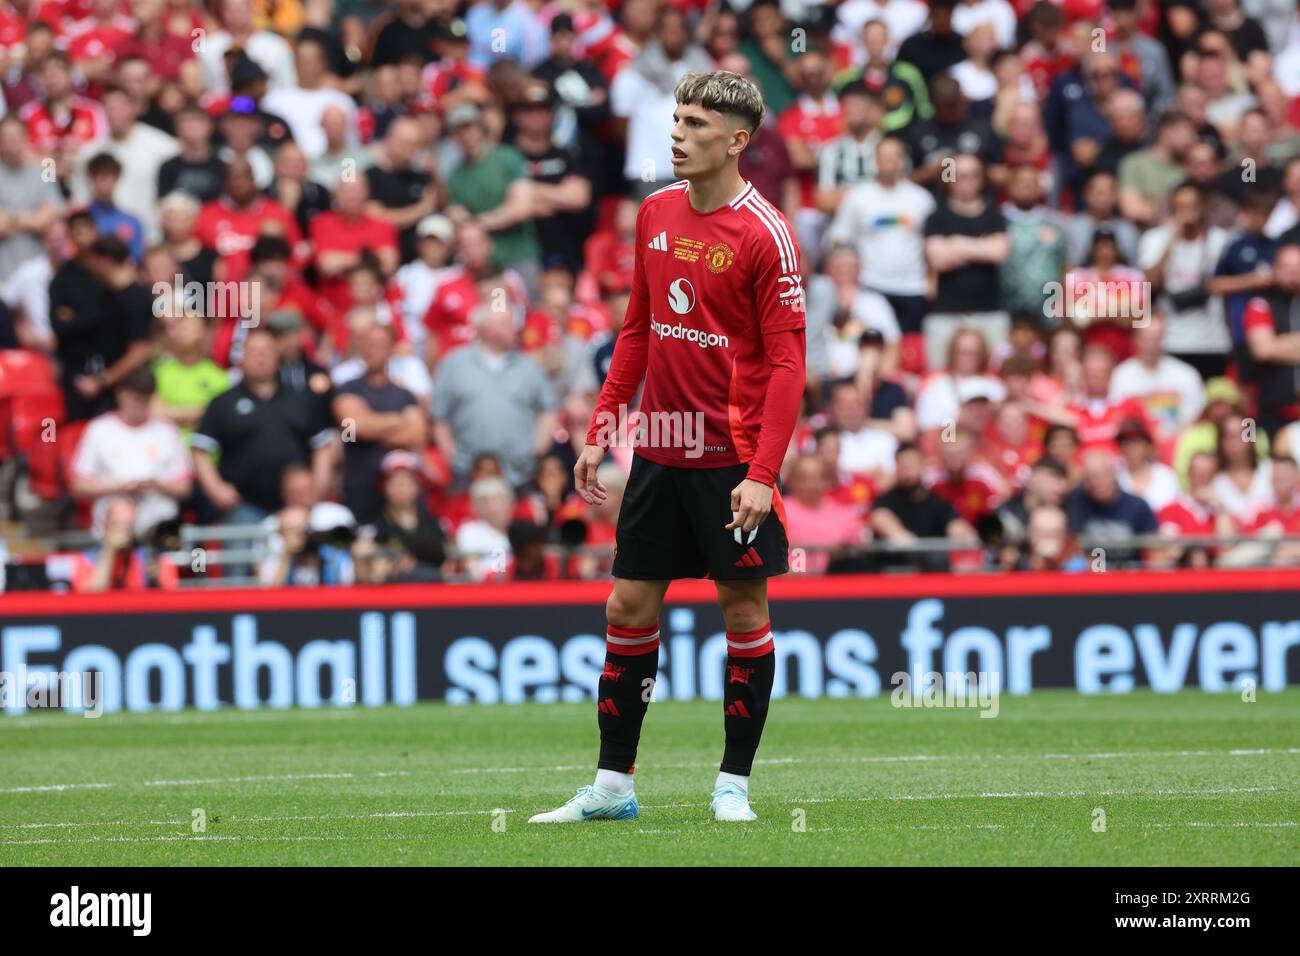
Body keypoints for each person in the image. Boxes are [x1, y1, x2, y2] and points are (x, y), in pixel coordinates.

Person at [530, 71, 805, 826]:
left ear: (737, 141)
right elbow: (639, 328)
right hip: (658, 448)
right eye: (676, 119)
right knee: (626, 603)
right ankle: (613, 786)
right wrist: (603, 425)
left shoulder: (766, 234)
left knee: (744, 614)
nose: (678, 134)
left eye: (695, 124)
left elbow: (787, 367)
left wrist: (763, 474)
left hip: (731, 460)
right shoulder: (653, 212)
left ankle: (732, 785)